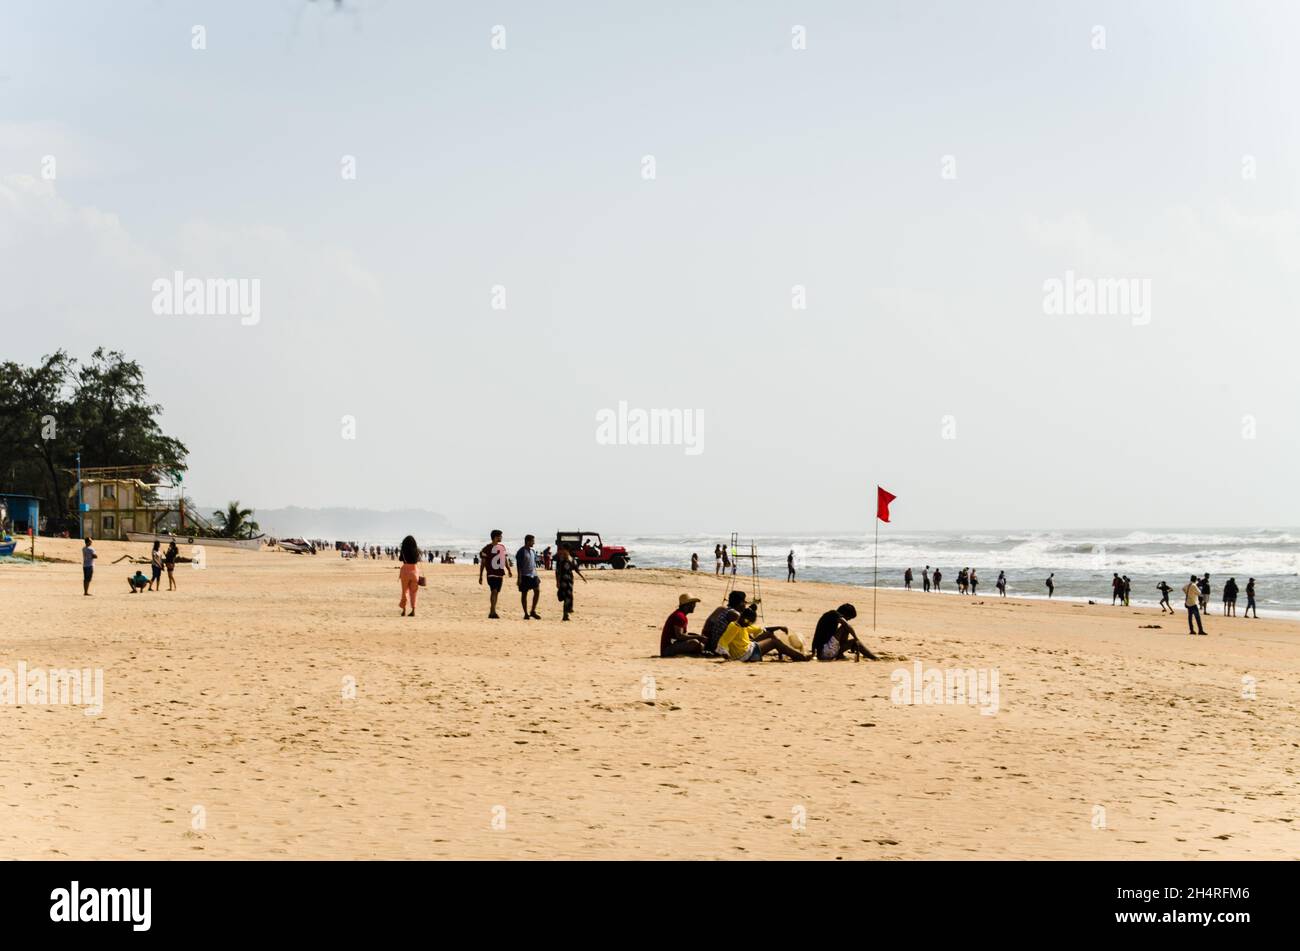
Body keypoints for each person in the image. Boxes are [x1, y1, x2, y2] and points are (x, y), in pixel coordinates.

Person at [716, 605, 809, 662]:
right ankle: (800, 657)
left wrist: (779, 627)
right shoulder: (734, 627)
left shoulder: (742, 625)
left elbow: (762, 629)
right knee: (774, 642)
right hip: (745, 655)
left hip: (748, 649)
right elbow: (722, 642)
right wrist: (727, 657)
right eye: (749, 622)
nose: (748, 624)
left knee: (769, 634)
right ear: (745, 619)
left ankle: (783, 652)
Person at [811, 603, 878, 661]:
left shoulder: (830, 617)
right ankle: (874, 658)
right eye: (849, 618)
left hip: (822, 653)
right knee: (846, 629)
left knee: (847, 633)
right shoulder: (833, 614)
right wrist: (856, 638)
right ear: (845, 614)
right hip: (825, 652)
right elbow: (846, 625)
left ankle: (841, 653)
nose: (848, 620)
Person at [478, 529, 512, 619]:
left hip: (500, 573)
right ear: (495, 537)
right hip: (491, 573)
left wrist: (509, 569)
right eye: (500, 536)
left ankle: (492, 610)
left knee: (496, 592)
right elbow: (483, 563)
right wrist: (481, 575)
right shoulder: (487, 548)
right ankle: (492, 611)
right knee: (494, 590)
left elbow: (505, 560)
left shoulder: (502, 547)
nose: (501, 537)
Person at [554, 546, 585, 621]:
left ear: (567, 550)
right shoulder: (561, 559)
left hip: (570, 581)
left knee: (568, 597)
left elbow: (576, 569)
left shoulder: (571, 559)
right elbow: (557, 571)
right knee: (565, 597)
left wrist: (582, 577)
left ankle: (566, 613)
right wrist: (557, 582)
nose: (562, 551)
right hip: (563, 581)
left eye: (564, 549)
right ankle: (566, 614)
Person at [516, 534, 542, 620]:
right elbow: (519, 566)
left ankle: (532, 611)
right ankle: (526, 613)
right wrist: (519, 578)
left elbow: (533, 564)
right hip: (524, 576)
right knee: (524, 594)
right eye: (532, 541)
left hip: (533, 575)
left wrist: (537, 575)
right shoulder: (521, 551)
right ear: (528, 541)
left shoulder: (533, 551)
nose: (534, 543)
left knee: (537, 591)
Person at [398, 534, 422, 617]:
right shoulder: (416, 551)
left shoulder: (403, 551)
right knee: (414, 592)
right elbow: (419, 559)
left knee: (405, 591)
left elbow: (400, 559)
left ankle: (404, 610)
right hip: (415, 572)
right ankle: (413, 610)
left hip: (405, 571)